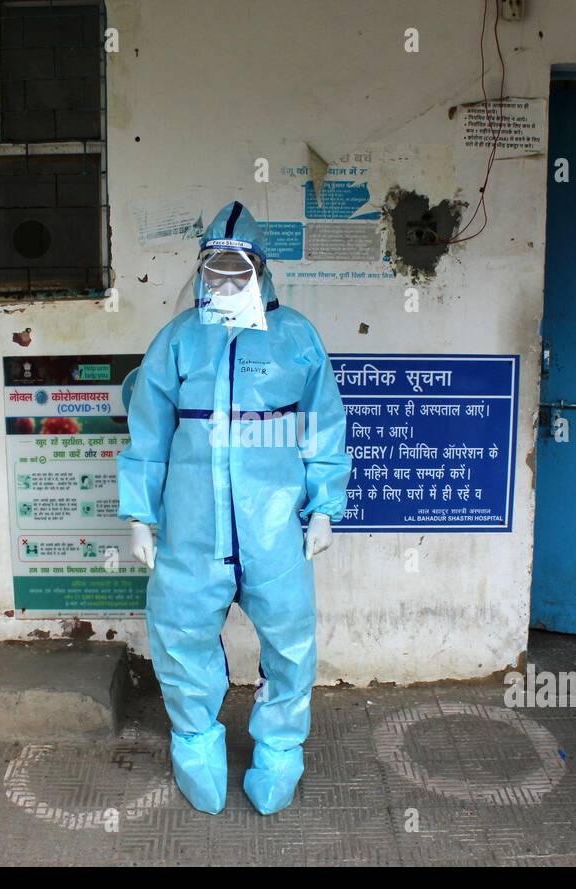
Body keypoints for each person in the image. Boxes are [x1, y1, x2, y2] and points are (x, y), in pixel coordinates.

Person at [118, 200, 351, 815]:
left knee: (290, 640)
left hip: (275, 529)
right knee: (180, 635)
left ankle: (279, 753)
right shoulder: (175, 342)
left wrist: (325, 506)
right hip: (191, 532)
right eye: (215, 269)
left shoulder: (295, 337)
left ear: (259, 270)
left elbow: (323, 425)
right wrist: (140, 516)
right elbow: (148, 433)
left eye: (236, 269)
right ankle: (195, 745)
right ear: (200, 271)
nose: (225, 282)